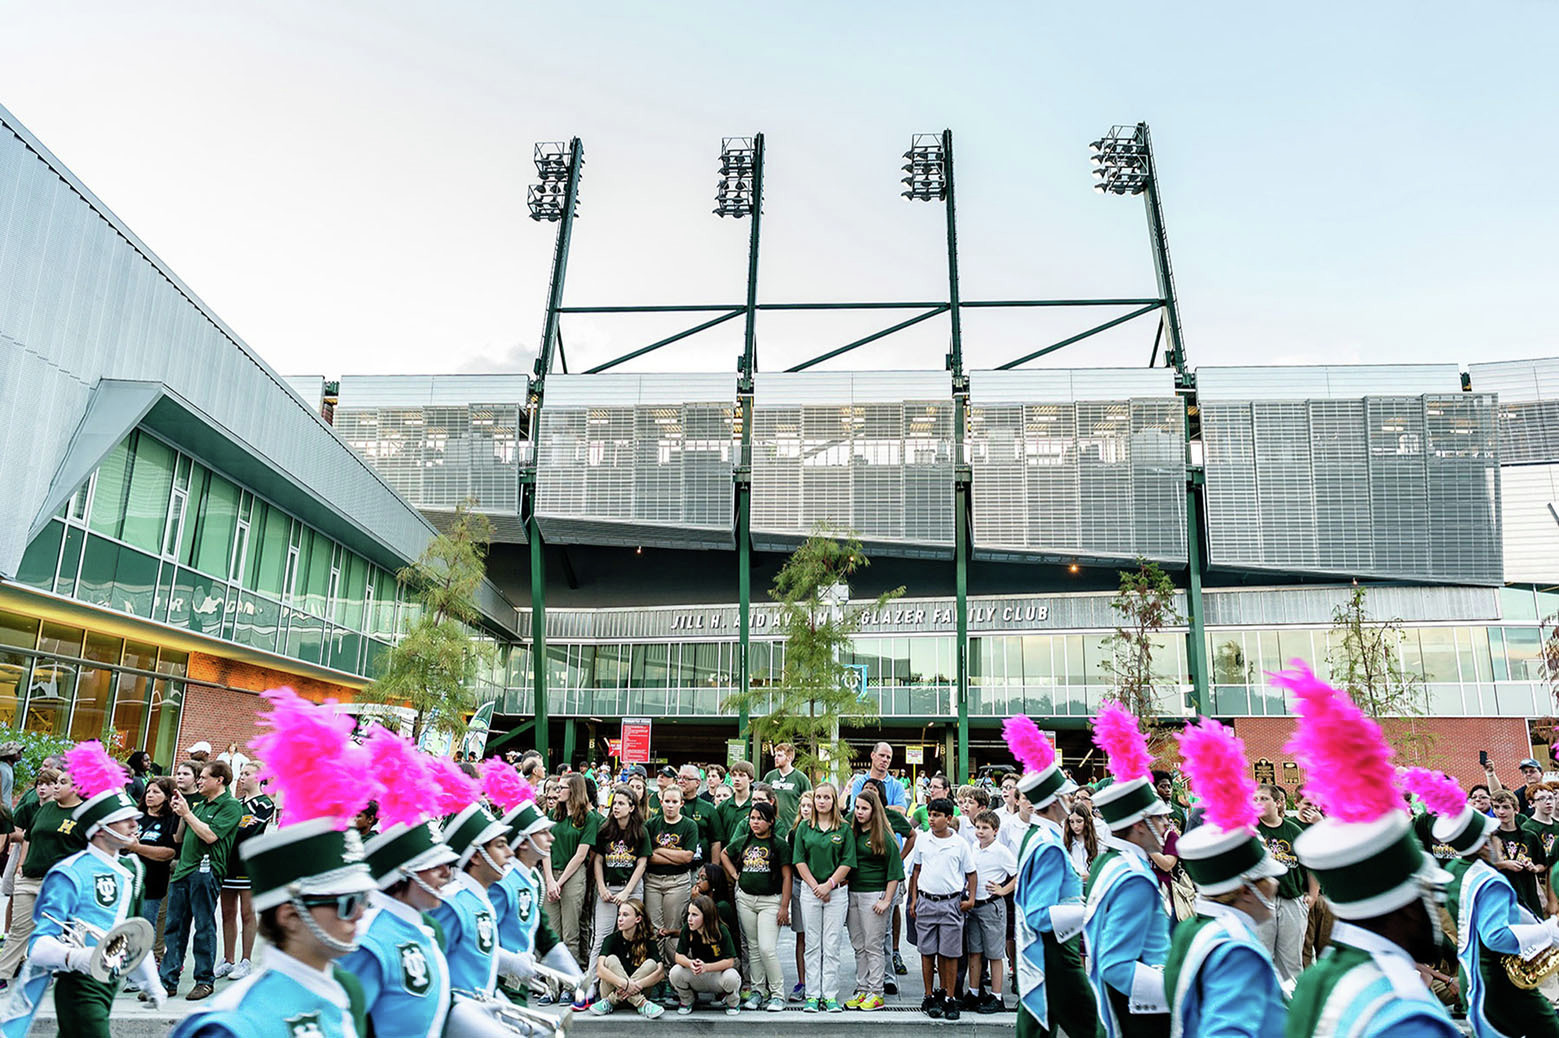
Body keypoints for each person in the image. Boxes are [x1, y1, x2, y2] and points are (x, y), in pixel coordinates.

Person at [169, 690, 379, 1038]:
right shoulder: (229, 1025)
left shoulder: (349, 991)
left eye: (362, 899)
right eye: (345, 903)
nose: (360, 913)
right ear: (290, 916)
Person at [1275, 662, 1459, 1038]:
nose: (1433, 908)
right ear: (1402, 908)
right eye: (1425, 893)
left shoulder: (1317, 979)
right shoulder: (1407, 1013)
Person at [0, 741, 165, 1038]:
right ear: (100, 829)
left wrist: (150, 980)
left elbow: (132, 931)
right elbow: (38, 947)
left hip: (110, 982)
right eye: (123, 820)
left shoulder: (133, 869)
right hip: (78, 984)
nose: (132, 824)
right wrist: (81, 958)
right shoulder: (69, 873)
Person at [1165, 718, 1289, 1038]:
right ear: (1246, 889)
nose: (1275, 886)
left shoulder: (1192, 929)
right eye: (1267, 878)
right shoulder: (1238, 951)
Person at [335, 726, 459, 1038]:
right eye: (434, 866)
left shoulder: (429, 927)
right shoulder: (368, 941)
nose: (447, 873)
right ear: (404, 873)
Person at [1420, 771, 1559, 1038]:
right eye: (1493, 835)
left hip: (1473, 974)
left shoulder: (1454, 870)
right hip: (1500, 979)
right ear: (1484, 843)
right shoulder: (1487, 879)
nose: (1497, 839)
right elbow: (1496, 937)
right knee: (1548, 1029)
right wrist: (1548, 932)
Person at [1003, 714, 1101, 1038]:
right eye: (1067, 795)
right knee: (1094, 1031)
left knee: (1036, 1029)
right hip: (1057, 956)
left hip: (1044, 954)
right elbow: (1039, 915)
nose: (1071, 800)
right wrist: (1089, 911)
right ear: (1057, 800)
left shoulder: (1036, 836)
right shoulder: (1050, 847)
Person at [1086, 702, 1174, 1038]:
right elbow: (1117, 966)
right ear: (1139, 825)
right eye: (1160, 818)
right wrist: (1179, 988)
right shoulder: (1134, 878)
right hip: (1143, 1013)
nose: (1167, 824)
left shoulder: (1112, 861)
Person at [159, 759, 244, 1000]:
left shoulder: (230, 805)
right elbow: (177, 838)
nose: (199, 781)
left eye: (204, 777)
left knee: (204, 927)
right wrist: (180, 812)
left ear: (220, 780)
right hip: (183, 871)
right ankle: (168, 980)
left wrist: (187, 813)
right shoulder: (198, 805)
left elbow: (210, 836)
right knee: (174, 928)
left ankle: (204, 980)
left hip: (206, 872)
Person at [0, 762, 87, 983]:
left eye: (62, 783)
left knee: (50, 931)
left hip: (58, 882)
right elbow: (28, 837)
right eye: (55, 783)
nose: (56, 787)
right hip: (29, 877)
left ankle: (42, 973)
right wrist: (21, 864)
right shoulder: (46, 809)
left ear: (76, 788)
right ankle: (3, 974)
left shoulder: (84, 814)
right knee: (19, 929)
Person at [907, 797, 976, 1019]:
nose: (932, 819)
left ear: (948, 818)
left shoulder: (960, 844)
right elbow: (916, 870)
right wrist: (914, 899)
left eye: (937, 815)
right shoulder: (923, 840)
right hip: (927, 900)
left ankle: (949, 996)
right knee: (927, 951)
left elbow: (971, 874)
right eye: (930, 814)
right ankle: (929, 995)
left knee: (950, 952)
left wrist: (971, 898)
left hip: (951, 902)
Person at [721, 799, 792, 1011]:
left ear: (770, 821)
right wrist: (734, 874)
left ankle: (778, 994)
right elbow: (725, 853)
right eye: (752, 818)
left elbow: (787, 877)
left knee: (766, 948)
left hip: (771, 901)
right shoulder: (744, 841)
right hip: (745, 899)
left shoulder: (780, 845)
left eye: (760, 819)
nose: (755, 822)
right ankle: (758, 991)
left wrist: (784, 907)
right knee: (752, 947)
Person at [791, 781, 853, 1012]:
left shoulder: (843, 829)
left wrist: (829, 884)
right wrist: (816, 886)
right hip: (810, 891)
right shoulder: (805, 828)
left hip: (836, 893)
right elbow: (799, 860)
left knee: (832, 945)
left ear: (834, 801)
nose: (822, 801)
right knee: (812, 945)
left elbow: (848, 861)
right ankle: (812, 995)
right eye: (819, 797)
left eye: (827, 797)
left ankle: (830, 995)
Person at [588, 785, 650, 996]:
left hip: (631, 889)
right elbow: (597, 860)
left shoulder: (641, 831)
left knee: (631, 936)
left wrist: (627, 893)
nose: (616, 807)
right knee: (602, 937)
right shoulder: (605, 829)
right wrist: (601, 887)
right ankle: (590, 984)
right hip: (608, 888)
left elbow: (641, 864)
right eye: (615, 803)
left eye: (622, 803)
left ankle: (628, 984)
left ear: (632, 807)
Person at [844, 787, 902, 1012]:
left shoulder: (884, 836)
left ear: (873, 810)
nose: (859, 812)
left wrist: (887, 900)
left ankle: (876, 992)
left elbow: (895, 871)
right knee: (858, 945)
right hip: (853, 894)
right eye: (857, 807)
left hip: (875, 895)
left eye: (864, 808)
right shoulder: (853, 833)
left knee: (873, 945)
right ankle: (862, 989)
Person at [215, 761, 274, 983]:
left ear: (259, 778)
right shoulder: (235, 803)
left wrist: (227, 830)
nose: (242, 777)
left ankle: (246, 960)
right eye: (241, 773)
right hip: (227, 864)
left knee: (247, 913)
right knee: (227, 913)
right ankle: (228, 959)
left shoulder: (264, 804)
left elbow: (248, 831)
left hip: (248, 865)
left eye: (247, 773)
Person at [1253, 782, 1317, 984]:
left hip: (1292, 899)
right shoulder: (1251, 829)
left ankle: (1292, 1006)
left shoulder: (1294, 830)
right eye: (1255, 799)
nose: (1259, 803)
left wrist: (1313, 895)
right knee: (1262, 956)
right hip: (1262, 901)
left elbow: (1311, 866)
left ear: (1279, 802)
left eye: (1264, 798)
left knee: (1292, 961)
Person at [546, 772, 598, 966]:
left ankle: (570, 982)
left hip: (573, 875)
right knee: (552, 933)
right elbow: (545, 848)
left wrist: (559, 883)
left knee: (570, 932)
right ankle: (553, 984)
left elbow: (581, 854)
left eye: (562, 788)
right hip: (551, 872)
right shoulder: (553, 814)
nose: (557, 791)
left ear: (574, 790)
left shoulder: (588, 817)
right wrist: (550, 880)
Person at [645, 784, 699, 966]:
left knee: (672, 928)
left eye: (674, 802)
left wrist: (659, 850)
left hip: (678, 882)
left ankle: (671, 970)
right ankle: (656, 970)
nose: (670, 805)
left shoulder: (689, 825)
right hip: (653, 881)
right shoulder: (652, 824)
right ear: (661, 802)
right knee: (654, 929)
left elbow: (687, 856)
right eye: (667, 801)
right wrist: (675, 856)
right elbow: (648, 857)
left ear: (681, 804)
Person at [128, 775, 179, 960]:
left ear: (166, 797)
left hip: (153, 883)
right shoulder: (135, 817)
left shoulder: (170, 820)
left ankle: (143, 966)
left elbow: (168, 853)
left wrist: (137, 847)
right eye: (148, 791)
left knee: (145, 925)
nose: (149, 795)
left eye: (156, 792)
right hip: (129, 880)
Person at [589, 898, 666, 1018]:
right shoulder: (611, 939)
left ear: (638, 919)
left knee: (652, 963)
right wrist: (624, 984)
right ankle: (642, 1004)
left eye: (625, 915)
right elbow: (600, 971)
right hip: (612, 990)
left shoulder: (648, 941)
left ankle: (610, 1001)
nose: (620, 918)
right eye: (619, 914)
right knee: (611, 960)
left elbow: (660, 973)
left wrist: (636, 986)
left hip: (638, 990)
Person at [670, 894, 741, 1015]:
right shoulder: (688, 929)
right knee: (675, 972)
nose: (689, 919)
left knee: (731, 976)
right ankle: (687, 1000)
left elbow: (730, 961)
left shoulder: (721, 930)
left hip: (717, 974)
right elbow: (678, 956)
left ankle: (732, 1002)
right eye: (689, 914)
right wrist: (690, 963)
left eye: (695, 915)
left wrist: (706, 967)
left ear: (706, 916)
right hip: (698, 973)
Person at [1490, 788, 1548, 918]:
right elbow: (1483, 865)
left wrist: (1534, 868)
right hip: (1502, 897)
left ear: (1516, 809)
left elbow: (1542, 864)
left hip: (1528, 895)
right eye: (1496, 807)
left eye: (1505, 807)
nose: (1501, 811)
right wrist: (1504, 864)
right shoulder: (1490, 837)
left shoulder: (1529, 836)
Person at [763, 743, 812, 836]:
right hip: (772, 829)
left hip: (792, 828)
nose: (775, 758)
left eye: (780, 755)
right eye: (775, 755)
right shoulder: (769, 776)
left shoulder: (801, 778)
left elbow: (810, 801)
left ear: (789, 758)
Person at [1064, 804, 1099, 878]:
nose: (1075, 826)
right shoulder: (1066, 844)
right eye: (1072, 822)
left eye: (1079, 821)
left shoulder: (1098, 843)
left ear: (1086, 821)